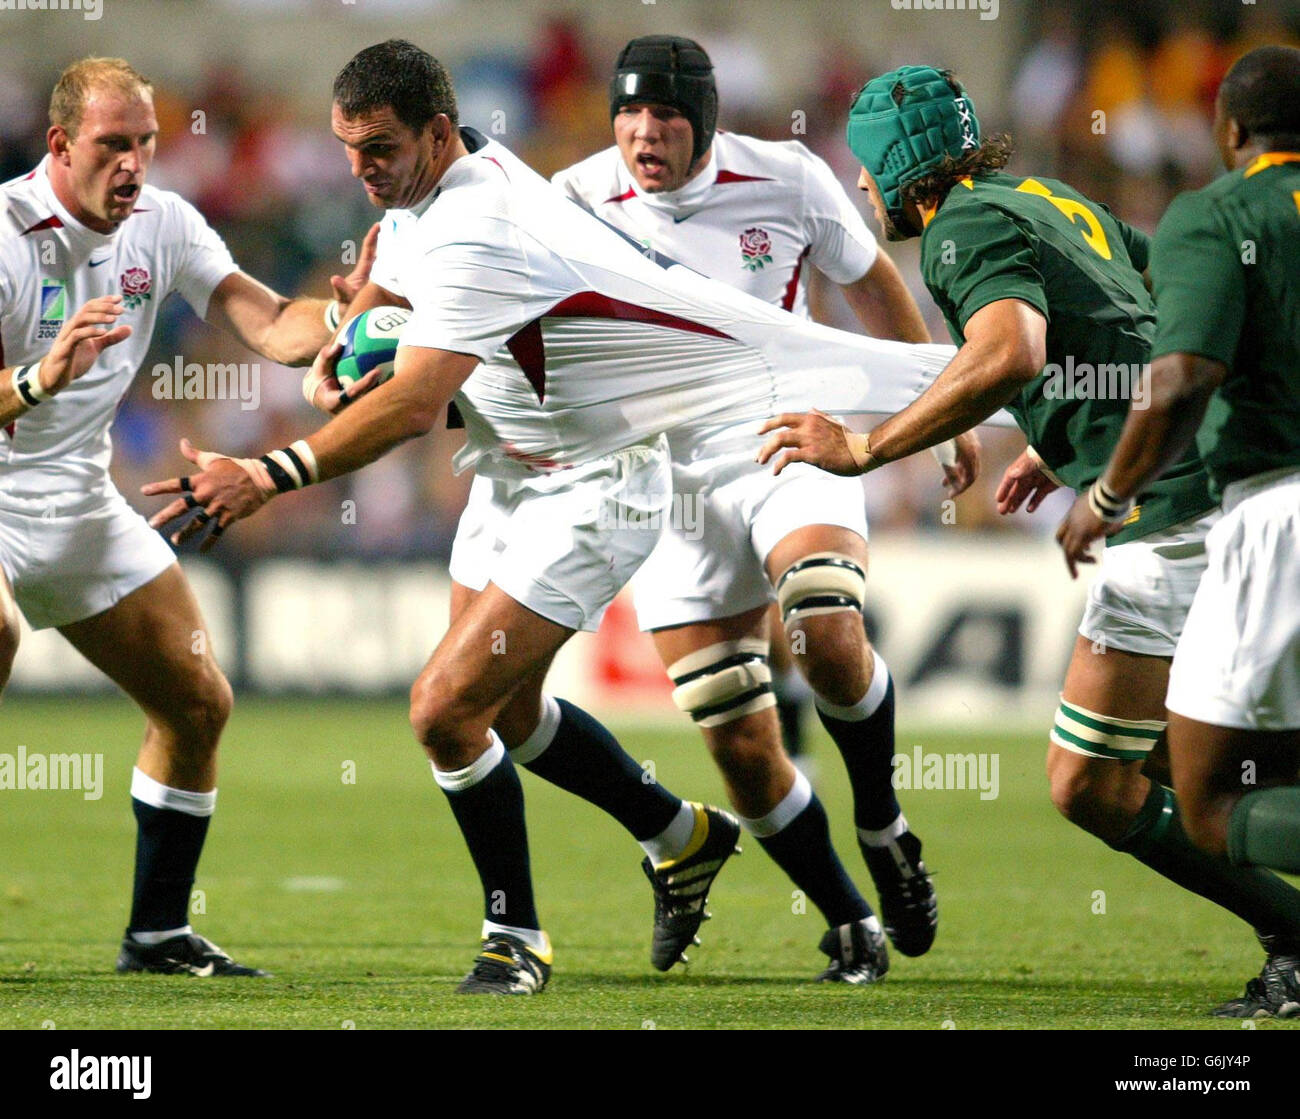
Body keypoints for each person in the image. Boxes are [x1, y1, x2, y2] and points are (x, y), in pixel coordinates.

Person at [143, 41, 957, 994]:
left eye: (378, 148)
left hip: (598, 482)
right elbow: (379, 331)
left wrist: (270, 471)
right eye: (347, 148)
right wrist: (342, 342)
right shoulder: (427, 201)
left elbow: (411, 405)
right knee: (511, 710)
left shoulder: (485, 220)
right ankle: (681, 835)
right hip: (510, 467)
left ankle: (516, 937)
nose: (358, 169)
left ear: (438, 133)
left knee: (445, 708)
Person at [757, 63, 1300, 1016]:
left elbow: (1010, 350)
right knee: (1190, 763)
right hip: (1214, 489)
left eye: (868, 166)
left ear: (904, 163)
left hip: (1167, 515)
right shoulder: (1036, 192)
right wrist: (1072, 436)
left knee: (1089, 780)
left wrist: (866, 445)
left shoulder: (961, 229)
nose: (860, 186)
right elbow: (1149, 305)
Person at [547, 35, 981, 972]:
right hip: (665, 482)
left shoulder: (786, 177)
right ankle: (849, 920)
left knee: (826, 633)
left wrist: (934, 406)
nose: (643, 133)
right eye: (628, 113)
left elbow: (872, 283)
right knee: (742, 745)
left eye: (665, 115)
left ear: (704, 119)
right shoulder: (575, 199)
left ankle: (882, 822)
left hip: (787, 434)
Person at [0, 57, 375, 978]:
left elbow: (270, 319)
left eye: (146, 144)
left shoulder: (162, 224)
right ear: (60, 146)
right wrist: (39, 377)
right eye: (112, 146)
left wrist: (348, 319)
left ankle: (159, 934)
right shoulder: (4, 233)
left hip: (78, 502)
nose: (133, 164)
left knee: (198, 700)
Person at [1058, 45, 1300, 1018]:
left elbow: (1182, 376)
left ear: (1230, 132)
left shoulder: (1220, 212)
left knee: (1200, 797)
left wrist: (1107, 495)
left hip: (1276, 514)